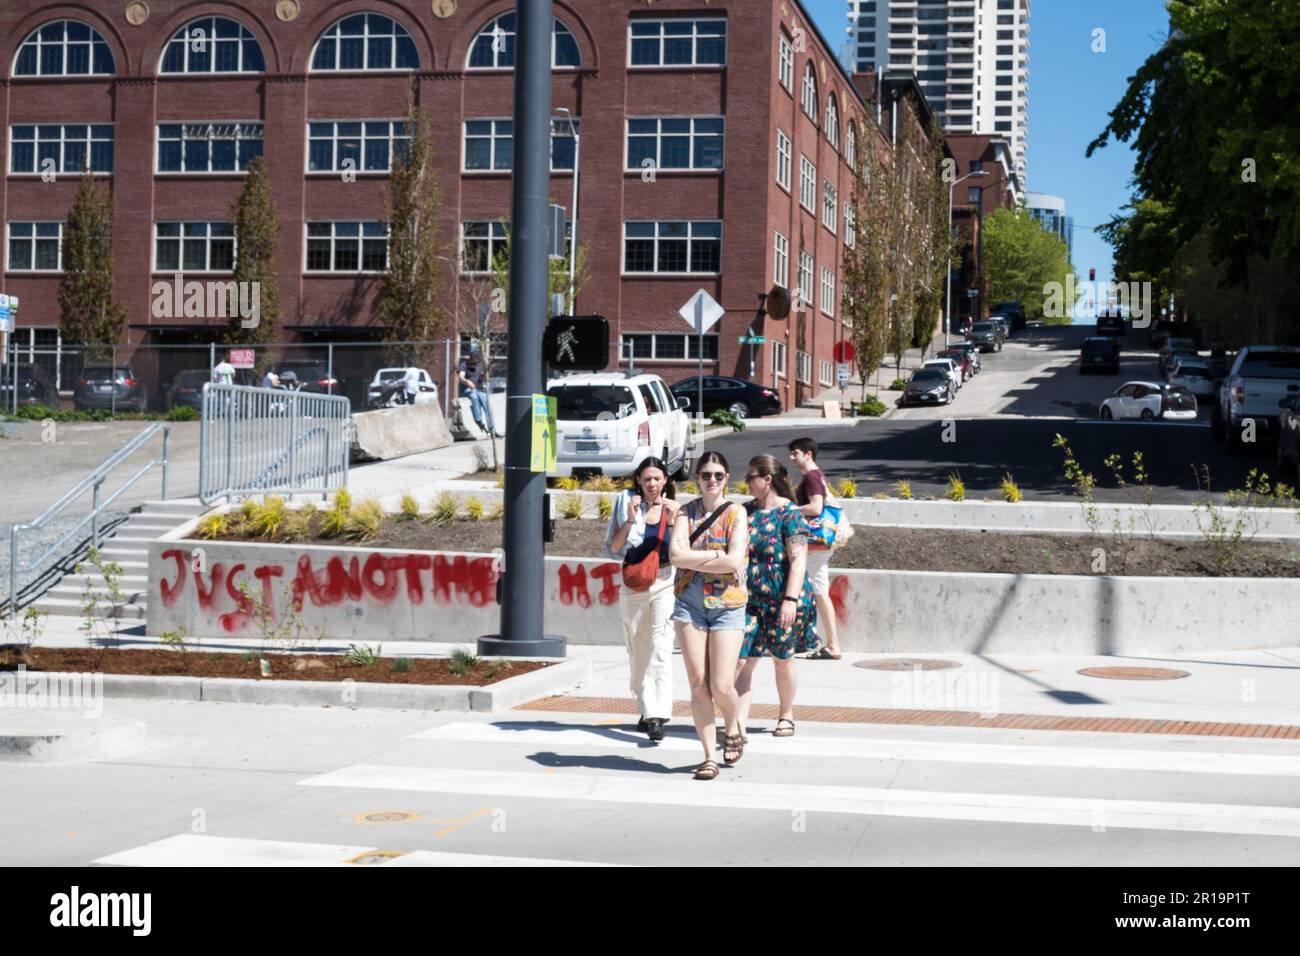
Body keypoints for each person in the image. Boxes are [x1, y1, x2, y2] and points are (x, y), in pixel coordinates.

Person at [669, 452, 749, 780]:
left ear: (727, 478)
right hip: (689, 603)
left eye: (717, 474)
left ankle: (734, 724)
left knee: (721, 683)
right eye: (705, 475)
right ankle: (708, 755)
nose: (711, 480)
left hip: (727, 604)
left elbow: (734, 561)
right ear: (697, 479)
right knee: (699, 683)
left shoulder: (737, 513)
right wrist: (717, 554)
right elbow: (675, 556)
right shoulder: (685, 513)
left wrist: (699, 558)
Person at [733, 455, 817, 740]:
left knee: (782, 659)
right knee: (743, 659)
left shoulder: (789, 513)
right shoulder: (745, 512)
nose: (746, 483)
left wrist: (790, 600)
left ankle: (786, 714)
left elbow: (798, 560)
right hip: (750, 600)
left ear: (767, 479)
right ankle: (738, 723)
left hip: (783, 598)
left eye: (750, 477)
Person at [604, 457, 679, 742]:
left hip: (664, 580)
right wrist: (631, 518)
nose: (652, 484)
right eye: (646, 479)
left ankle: (657, 715)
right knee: (638, 649)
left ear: (665, 481)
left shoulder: (673, 509)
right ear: (638, 480)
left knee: (660, 645)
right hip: (634, 584)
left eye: (657, 478)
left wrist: (673, 523)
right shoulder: (626, 505)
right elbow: (615, 546)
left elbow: (679, 549)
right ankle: (647, 707)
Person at [788, 437, 842, 660]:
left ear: (808, 454)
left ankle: (828, 644)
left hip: (815, 543)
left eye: (795, 453)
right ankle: (823, 642)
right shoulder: (816, 474)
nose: (792, 457)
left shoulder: (811, 476)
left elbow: (816, 507)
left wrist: (790, 509)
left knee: (809, 590)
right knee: (816, 591)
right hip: (820, 544)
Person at [457, 344, 500, 436]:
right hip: (468, 389)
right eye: (472, 361)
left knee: (486, 404)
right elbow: (461, 377)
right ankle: (478, 421)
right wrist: (467, 382)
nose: (474, 364)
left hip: (479, 389)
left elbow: (485, 378)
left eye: (475, 362)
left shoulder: (481, 364)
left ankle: (492, 430)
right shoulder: (464, 365)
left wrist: (484, 376)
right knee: (473, 396)